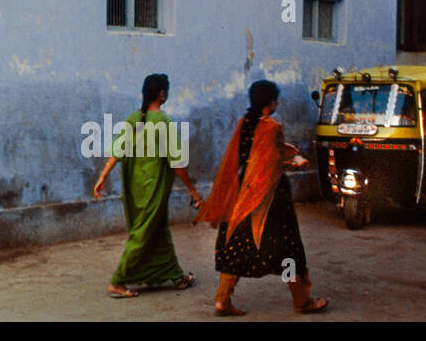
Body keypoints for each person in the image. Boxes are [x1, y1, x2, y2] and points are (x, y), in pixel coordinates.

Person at [195, 79, 327, 316]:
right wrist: (295, 162)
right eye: (276, 99)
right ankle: (301, 301)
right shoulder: (271, 127)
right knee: (288, 252)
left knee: (235, 247)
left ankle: (222, 301)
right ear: (270, 102)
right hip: (270, 200)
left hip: (242, 197)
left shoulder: (245, 123)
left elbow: (249, 157)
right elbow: (271, 165)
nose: (277, 103)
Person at [93, 73, 204, 298]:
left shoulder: (133, 119)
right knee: (143, 233)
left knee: (158, 229)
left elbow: (116, 151)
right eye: (166, 90)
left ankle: (176, 276)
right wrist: (192, 189)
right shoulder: (163, 123)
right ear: (162, 93)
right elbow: (177, 163)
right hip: (154, 188)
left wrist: (102, 176)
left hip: (136, 189)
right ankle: (118, 280)